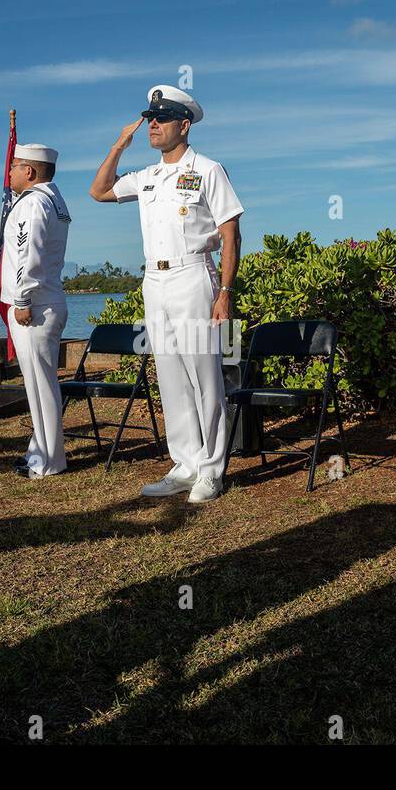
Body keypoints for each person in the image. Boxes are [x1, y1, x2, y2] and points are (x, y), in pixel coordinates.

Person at [89, 85, 243, 503]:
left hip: (194, 276)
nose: (152, 125)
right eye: (149, 119)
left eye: (161, 119)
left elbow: (231, 234)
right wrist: (120, 145)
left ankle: (211, 469)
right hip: (154, 283)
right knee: (171, 377)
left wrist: (224, 292)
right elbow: (99, 191)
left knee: (204, 376)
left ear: (184, 124)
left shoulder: (209, 170)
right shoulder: (148, 177)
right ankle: (185, 463)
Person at [0, 143, 71, 478]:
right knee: (41, 384)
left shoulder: (34, 203)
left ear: (29, 172)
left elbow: (29, 253)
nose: (10, 172)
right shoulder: (53, 199)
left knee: (40, 387)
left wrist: (23, 299)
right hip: (48, 299)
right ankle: (38, 450)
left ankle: (48, 461)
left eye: (14, 166)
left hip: (36, 305)